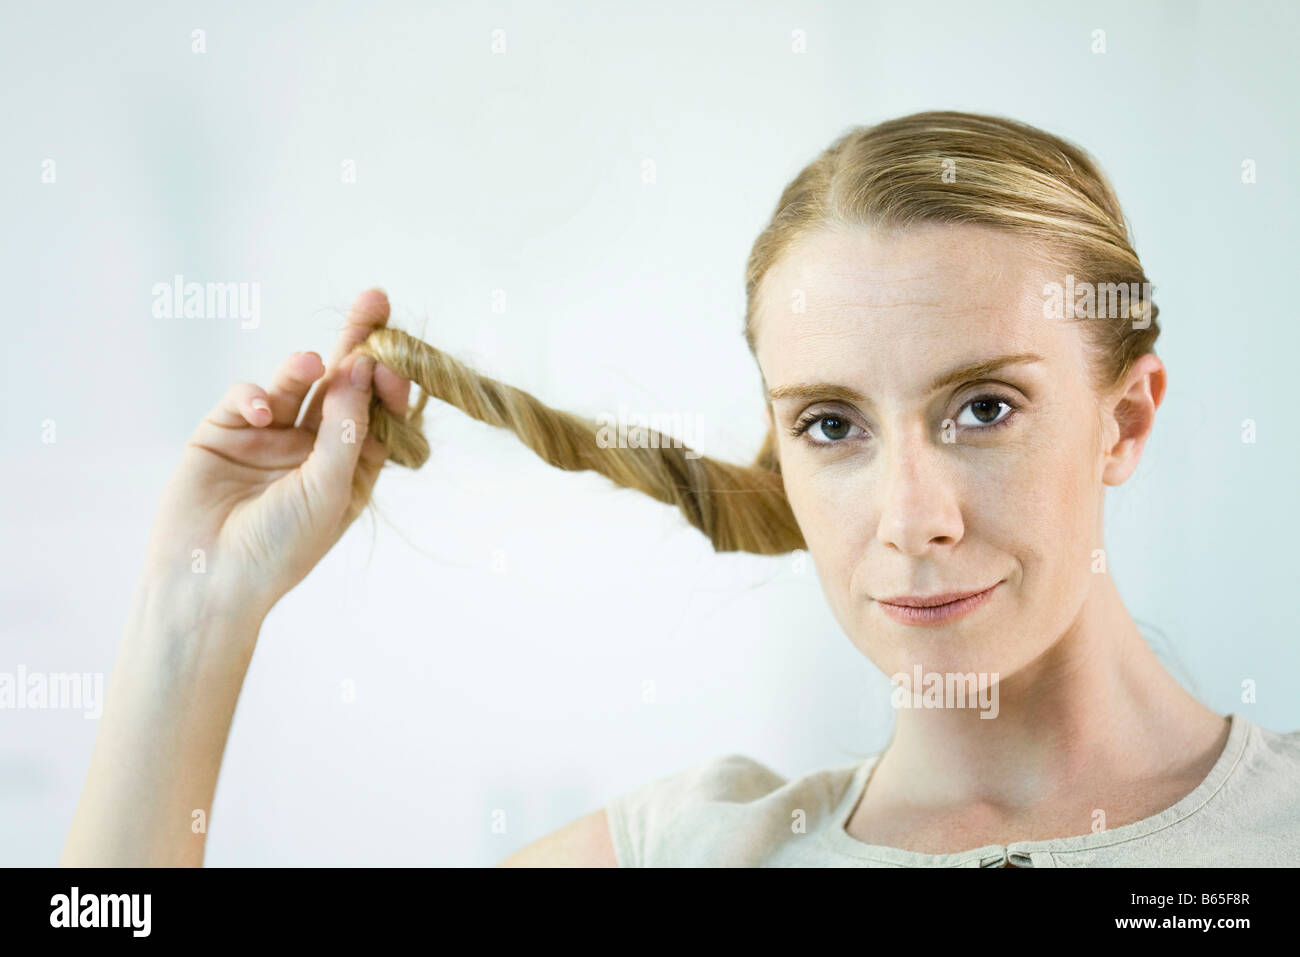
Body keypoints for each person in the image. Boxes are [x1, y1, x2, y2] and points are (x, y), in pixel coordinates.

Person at [61, 112, 1300, 868]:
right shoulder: (690, 855)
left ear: (1123, 418)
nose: (911, 516)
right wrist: (195, 614)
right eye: (831, 425)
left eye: (982, 408)